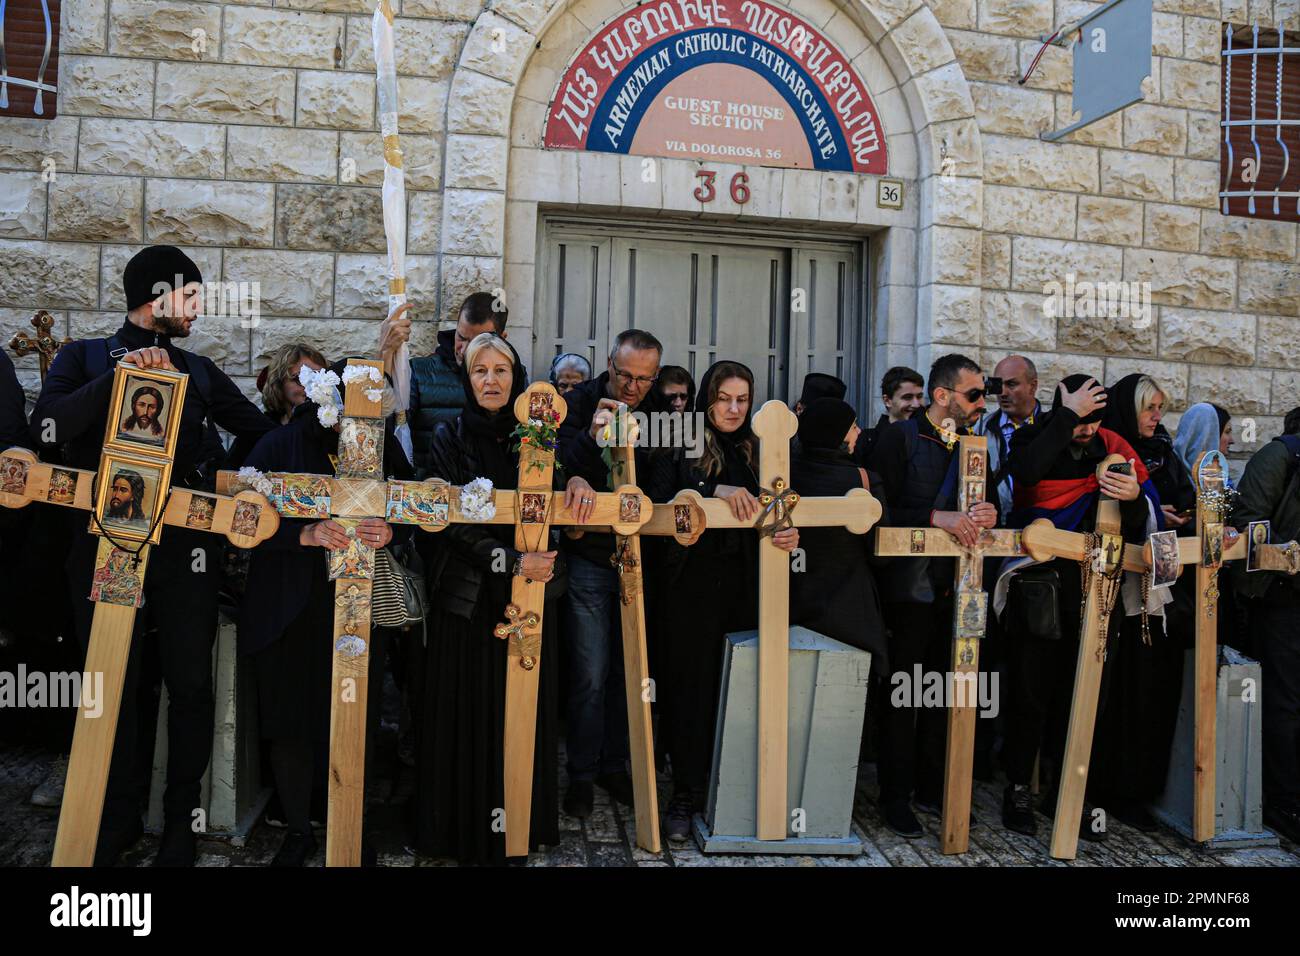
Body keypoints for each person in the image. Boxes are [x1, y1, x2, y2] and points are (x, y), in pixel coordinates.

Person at [30, 244, 276, 866]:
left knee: (190, 683)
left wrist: (212, 478)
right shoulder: (83, 357)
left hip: (186, 556)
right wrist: (120, 382)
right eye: (190, 297)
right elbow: (47, 429)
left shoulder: (199, 369)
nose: (198, 309)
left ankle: (180, 824)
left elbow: (260, 432)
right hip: (103, 550)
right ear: (159, 297)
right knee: (114, 683)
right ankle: (115, 819)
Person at [414, 332, 597, 865]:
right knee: (467, 712)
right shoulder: (449, 435)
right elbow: (442, 518)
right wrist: (508, 561)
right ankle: (462, 831)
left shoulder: (540, 438)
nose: (490, 380)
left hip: (533, 595)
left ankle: (517, 822)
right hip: (470, 602)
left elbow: (560, 499)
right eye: (479, 371)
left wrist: (581, 480)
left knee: (521, 711)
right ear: (467, 380)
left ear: (515, 377)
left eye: (500, 370)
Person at [238, 360, 413, 866]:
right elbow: (242, 516)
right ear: (324, 399)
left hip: (356, 607)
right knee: (291, 721)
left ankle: (349, 827)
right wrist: (302, 534)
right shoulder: (280, 445)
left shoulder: (380, 447)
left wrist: (392, 531)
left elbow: (412, 503)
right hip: (290, 606)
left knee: (352, 717)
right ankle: (298, 830)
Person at [995, 375, 1161, 840]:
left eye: (1095, 420)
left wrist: (1130, 499)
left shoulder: (1114, 447)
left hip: (1096, 587)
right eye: (1080, 418)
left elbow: (1143, 513)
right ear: (1064, 407)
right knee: (1030, 692)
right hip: (1041, 582)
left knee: (1087, 695)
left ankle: (1070, 792)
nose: (1088, 430)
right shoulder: (1038, 433)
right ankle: (1017, 788)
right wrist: (1066, 419)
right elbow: (1027, 474)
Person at [646, 361, 799, 842]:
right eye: (724, 398)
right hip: (691, 589)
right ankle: (685, 794)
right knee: (691, 691)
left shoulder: (763, 449)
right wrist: (713, 490)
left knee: (742, 689)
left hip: (747, 586)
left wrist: (787, 533)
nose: (733, 409)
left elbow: (783, 506)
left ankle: (733, 793)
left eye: (742, 399)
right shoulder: (682, 437)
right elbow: (655, 500)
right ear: (706, 398)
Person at [867, 353, 996, 837]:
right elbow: (875, 511)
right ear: (942, 397)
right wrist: (933, 517)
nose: (983, 402)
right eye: (973, 394)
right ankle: (894, 797)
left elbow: (992, 500)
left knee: (950, 690)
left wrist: (987, 511)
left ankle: (932, 787)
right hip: (908, 590)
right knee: (904, 695)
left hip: (959, 588)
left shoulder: (975, 446)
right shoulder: (898, 438)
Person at [554, 329, 666, 818]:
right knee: (590, 675)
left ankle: (616, 766)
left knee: (633, 673)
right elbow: (554, 467)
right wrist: (589, 439)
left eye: (644, 379)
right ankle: (580, 773)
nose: (632, 387)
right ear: (610, 364)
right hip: (590, 562)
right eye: (625, 375)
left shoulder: (662, 414)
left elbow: (665, 483)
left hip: (642, 562)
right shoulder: (577, 401)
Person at [1085, 373, 1189, 830]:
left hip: (1158, 597)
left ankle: (1140, 792)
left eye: (1160, 408)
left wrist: (1168, 511)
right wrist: (1145, 507)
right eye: (1149, 407)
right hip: (1114, 596)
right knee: (1113, 696)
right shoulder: (1111, 450)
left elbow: (1184, 498)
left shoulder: (1164, 452)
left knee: (1150, 696)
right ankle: (1102, 791)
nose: (1156, 417)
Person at [1229, 413, 1300, 843]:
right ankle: (1283, 801)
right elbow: (1250, 527)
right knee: (1285, 704)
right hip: (1282, 601)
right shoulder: (1280, 455)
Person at [789, 398, 887, 672]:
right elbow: (881, 555)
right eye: (853, 426)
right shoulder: (864, 481)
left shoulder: (782, 476)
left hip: (791, 602)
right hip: (850, 608)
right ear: (835, 433)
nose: (858, 433)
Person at [402, 291, 511, 479]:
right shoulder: (420, 372)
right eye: (461, 337)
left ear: (501, 338)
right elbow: (394, 432)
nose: (465, 349)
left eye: (479, 341)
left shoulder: (512, 377)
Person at [978, 355, 1041, 523]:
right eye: (999, 384)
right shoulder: (979, 428)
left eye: (1012, 384)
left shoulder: (1051, 428)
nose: (1003, 392)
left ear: (1033, 386)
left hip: (1041, 527)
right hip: (992, 528)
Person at [856, 366, 924, 464]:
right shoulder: (866, 442)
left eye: (919, 396)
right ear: (887, 401)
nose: (916, 404)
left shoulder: (928, 436)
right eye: (907, 397)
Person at [258, 343, 329, 425]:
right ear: (279, 384)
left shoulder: (335, 428)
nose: (313, 386)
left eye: (319, 377)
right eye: (300, 378)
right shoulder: (265, 429)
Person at [1173, 402, 1232, 473]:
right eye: (1227, 432)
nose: (1232, 440)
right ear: (1208, 434)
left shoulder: (1218, 477)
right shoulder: (1170, 474)